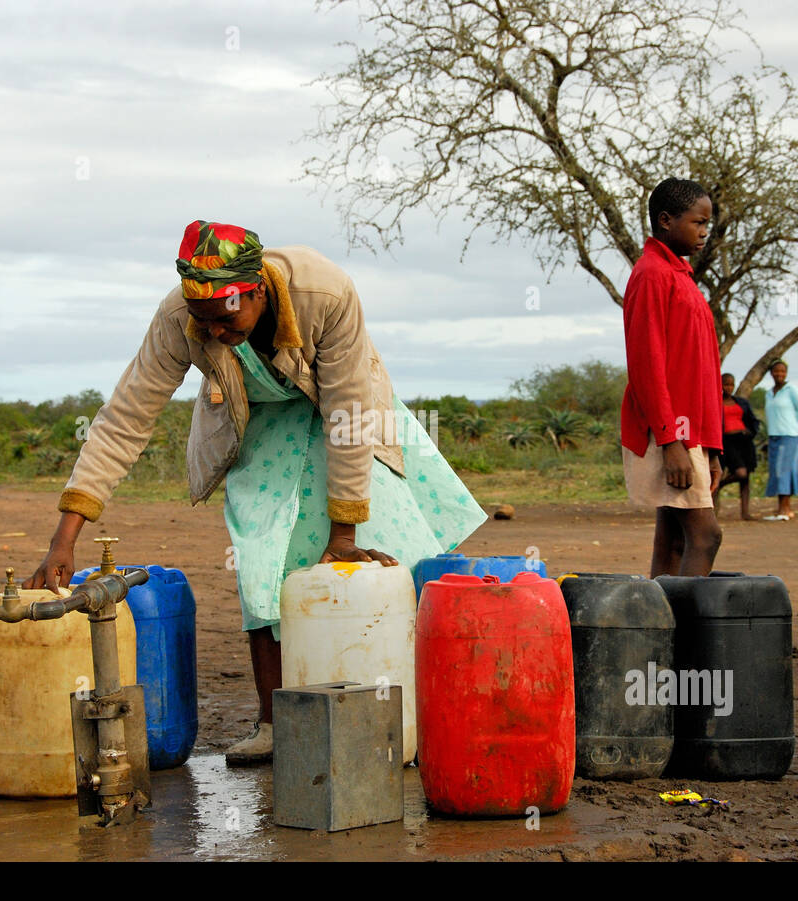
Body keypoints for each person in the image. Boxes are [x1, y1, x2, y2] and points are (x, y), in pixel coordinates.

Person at [24, 221, 487, 766]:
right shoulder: (180, 317)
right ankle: (275, 723)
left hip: (343, 411)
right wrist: (65, 537)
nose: (216, 332)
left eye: (227, 317)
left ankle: (400, 721)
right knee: (265, 562)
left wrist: (344, 532)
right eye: (204, 321)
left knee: (377, 559)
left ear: (259, 291)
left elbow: (348, 411)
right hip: (255, 420)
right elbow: (126, 416)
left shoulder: (325, 292)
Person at [620, 178, 723, 577]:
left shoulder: (681, 278)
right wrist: (670, 441)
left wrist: (711, 447)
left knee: (673, 539)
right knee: (705, 537)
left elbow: (700, 373)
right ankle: (685, 637)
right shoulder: (652, 274)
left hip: (689, 433)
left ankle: (659, 635)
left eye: (707, 224)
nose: (703, 232)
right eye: (698, 222)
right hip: (669, 432)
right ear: (666, 220)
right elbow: (646, 363)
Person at [762, 360, 798, 520]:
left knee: (784, 470)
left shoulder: (792, 390)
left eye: (782, 371)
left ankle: (786, 507)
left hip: (790, 434)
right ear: (771, 373)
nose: (779, 374)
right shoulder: (769, 393)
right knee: (776, 470)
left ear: (786, 373)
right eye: (776, 371)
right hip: (774, 435)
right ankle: (781, 507)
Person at [713, 373, 759, 520]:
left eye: (731, 384)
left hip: (744, 442)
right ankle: (719, 485)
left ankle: (745, 512)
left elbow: (752, 420)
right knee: (740, 473)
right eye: (726, 384)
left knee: (745, 480)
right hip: (727, 442)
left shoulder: (741, 402)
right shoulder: (716, 403)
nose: (729, 387)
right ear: (720, 385)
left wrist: (750, 431)